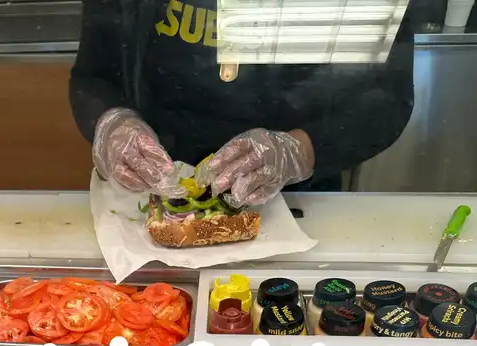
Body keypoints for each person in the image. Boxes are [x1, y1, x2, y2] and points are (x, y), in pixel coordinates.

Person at [70, 0, 416, 206]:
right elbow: (94, 76)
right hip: (151, 188)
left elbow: (386, 99)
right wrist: (112, 122)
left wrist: (298, 150)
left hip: (300, 198)